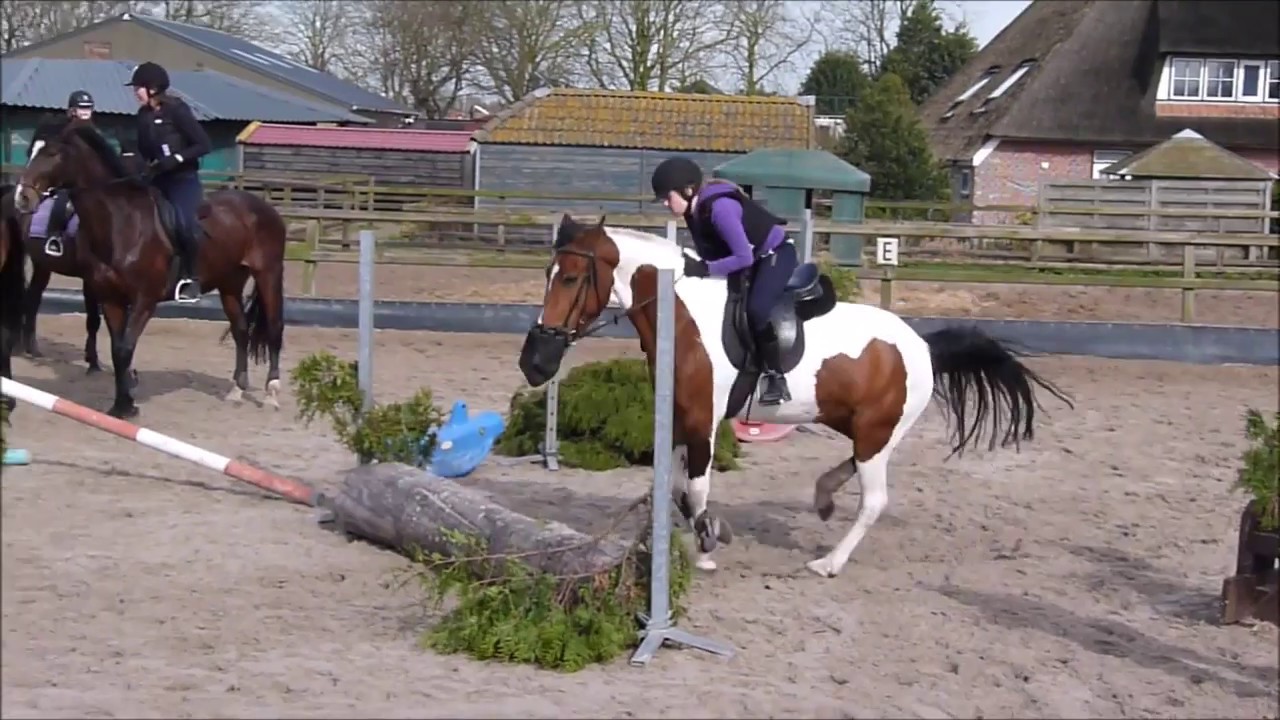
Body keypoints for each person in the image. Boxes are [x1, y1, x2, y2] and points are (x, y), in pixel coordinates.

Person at [652, 156, 797, 406]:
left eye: (668, 197)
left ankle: (775, 376)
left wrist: (706, 269)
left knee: (757, 309)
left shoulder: (720, 209)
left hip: (774, 255)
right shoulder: (693, 211)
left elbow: (744, 256)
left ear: (687, 190)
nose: (665, 203)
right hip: (752, 258)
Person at [126, 61, 211, 303]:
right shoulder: (142, 117)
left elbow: (203, 144)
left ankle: (192, 277)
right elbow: (144, 151)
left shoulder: (178, 111)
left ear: (152, 88)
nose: (135, 93)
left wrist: (176, 158)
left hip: (182, 180)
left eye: (137, 88)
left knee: (184, 224)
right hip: (157, 179)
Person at [31, 90, 98, 257]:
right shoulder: (64, 133)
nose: (85, 112)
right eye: (81, 108)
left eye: (88, 108)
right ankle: (55, 237)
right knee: (63, 202)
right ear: (72, 111)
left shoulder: (95, 133)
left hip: (92, 182)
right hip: (68, 182)